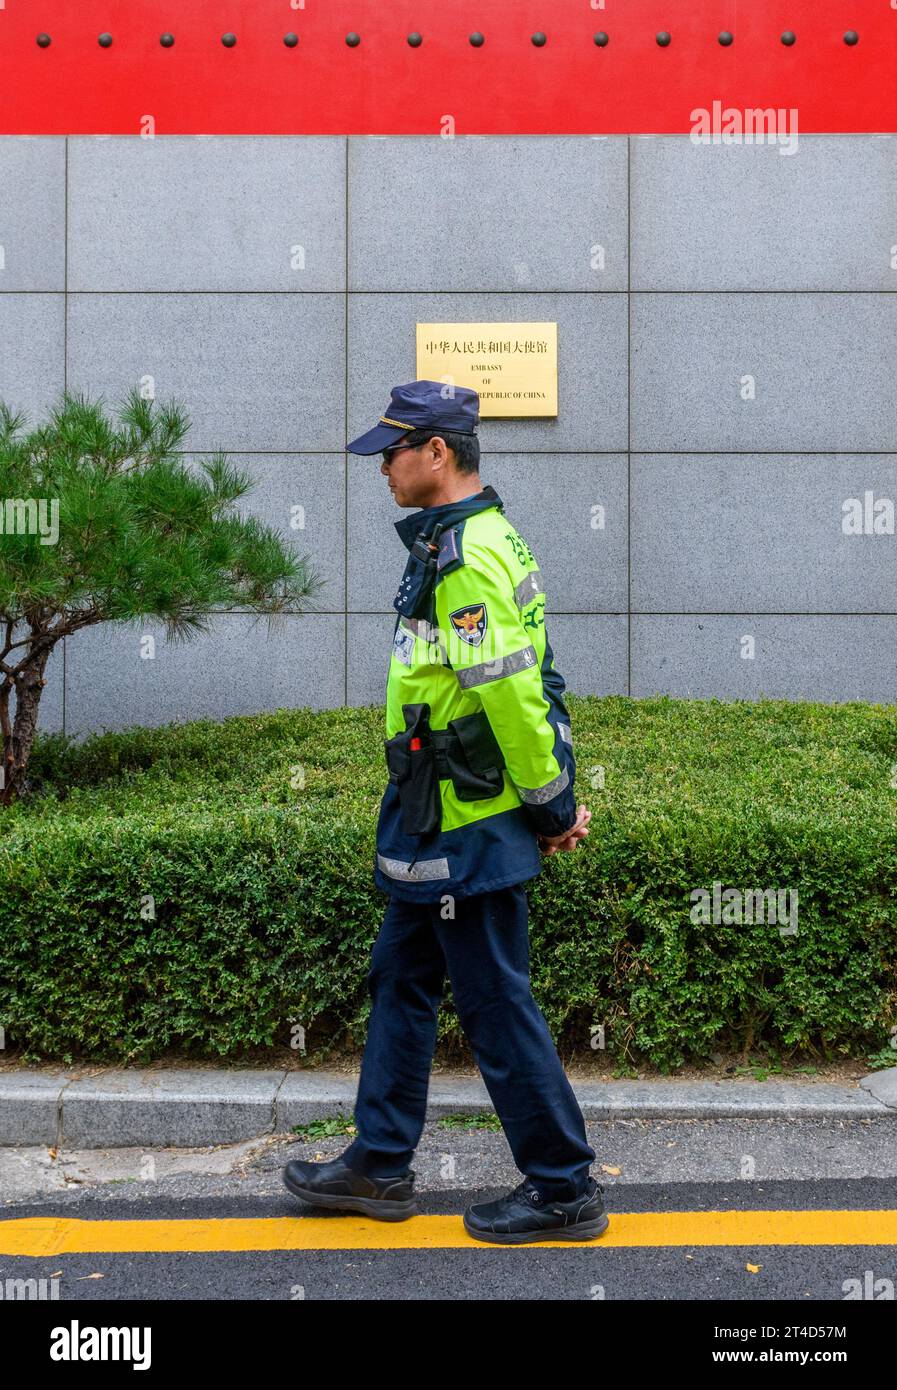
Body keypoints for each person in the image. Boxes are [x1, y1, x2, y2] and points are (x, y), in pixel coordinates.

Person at [283, 380, 608, 1244]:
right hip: (437, 813)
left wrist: (552, 807)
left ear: (437, 452)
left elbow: (509, 694)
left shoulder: (463, 554)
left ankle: (562, 1185)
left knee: (495, 1001)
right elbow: (541, 673)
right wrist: (552, 799)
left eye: (391, 451)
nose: (381, 466)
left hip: (469, 817)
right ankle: (379, 1164)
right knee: (402, 978)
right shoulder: (460, 540)